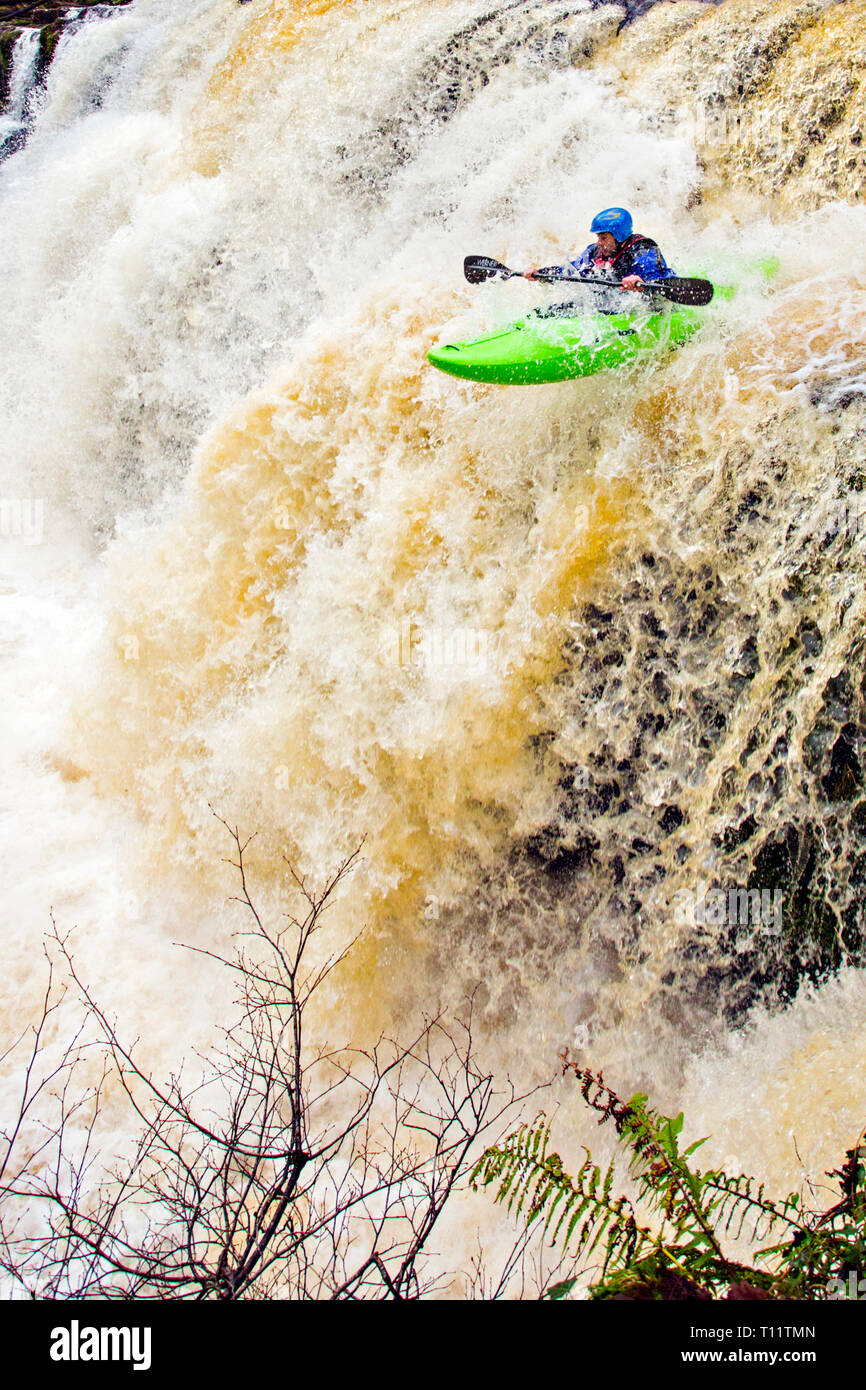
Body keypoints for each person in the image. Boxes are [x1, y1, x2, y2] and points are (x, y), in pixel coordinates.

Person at [526, 207, 676, 291]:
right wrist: (541, 273)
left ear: (618, 236)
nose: (598, 243)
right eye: (598, 237)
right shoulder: (594, 252)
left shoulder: (643, 250)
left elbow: (658, 278)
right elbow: (571, 272)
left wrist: (639, 281)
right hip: (610, 303)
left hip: (641, 308)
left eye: (603, 238)